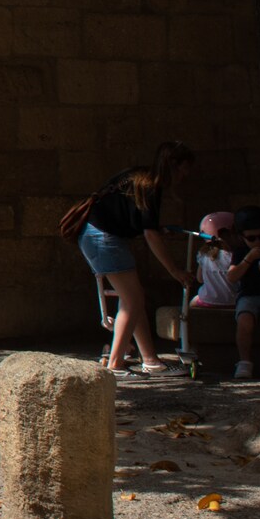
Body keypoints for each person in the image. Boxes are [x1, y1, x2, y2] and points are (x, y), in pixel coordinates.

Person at [75, 140, 194, 373]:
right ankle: (116, 364)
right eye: (185, 168)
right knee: (133, 300)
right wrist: (175, 271)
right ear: (175, 165)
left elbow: (134, 216)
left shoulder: (137, 176)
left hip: (96, 235)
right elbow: (150, 235)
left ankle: (150, 359)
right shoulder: (150, 186)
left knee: (132, 298)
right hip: (103, 237)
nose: (186, 175)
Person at [226, 205, 260, 380]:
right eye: (251, 238)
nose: (258, 242)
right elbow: (232, 276)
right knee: (245, 320)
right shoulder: (241, 252)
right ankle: (244, 361)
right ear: (242, 237)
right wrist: (249, 259)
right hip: (248, 295)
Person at [189, 211, 238, 309]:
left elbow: (200, 279)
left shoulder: (204, 254)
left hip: (208, 300)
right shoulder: (237, 254)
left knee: (192, 302)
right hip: (235, 301)